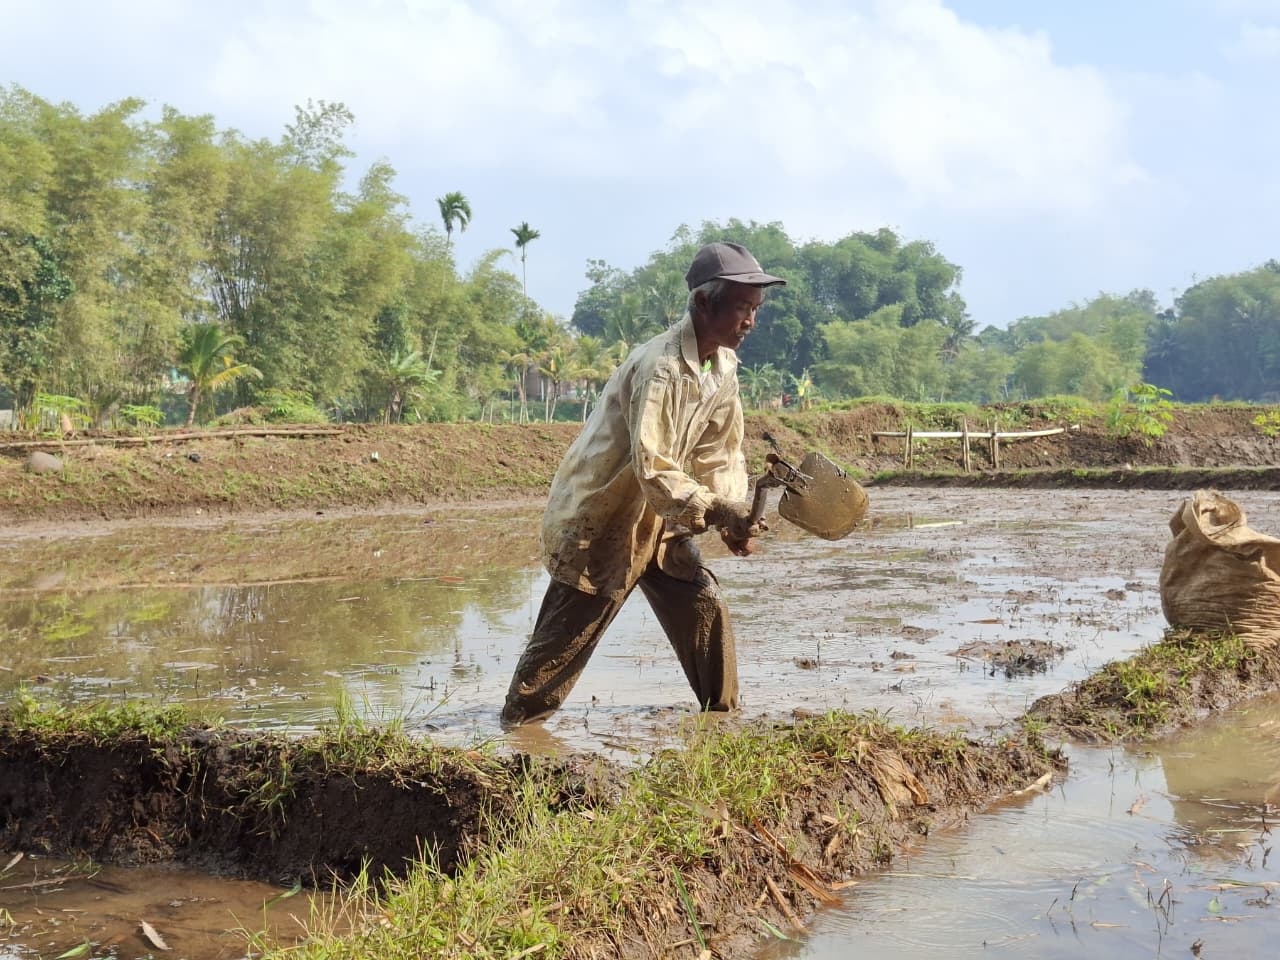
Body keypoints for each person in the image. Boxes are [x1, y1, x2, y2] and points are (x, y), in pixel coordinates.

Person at [501, 241, 785, 727]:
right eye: (742, 308)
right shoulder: (660, 366)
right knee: (561, 647)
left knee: (704, 608)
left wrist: (734, 514)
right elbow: (651, 466)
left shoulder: (723, 368)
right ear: (703, 302)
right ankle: (518, 736)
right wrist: (717, 510)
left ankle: (723, 723)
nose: (750, 322)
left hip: (663, 518)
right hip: (605, 519)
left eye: (755, 311)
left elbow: (720, 451)